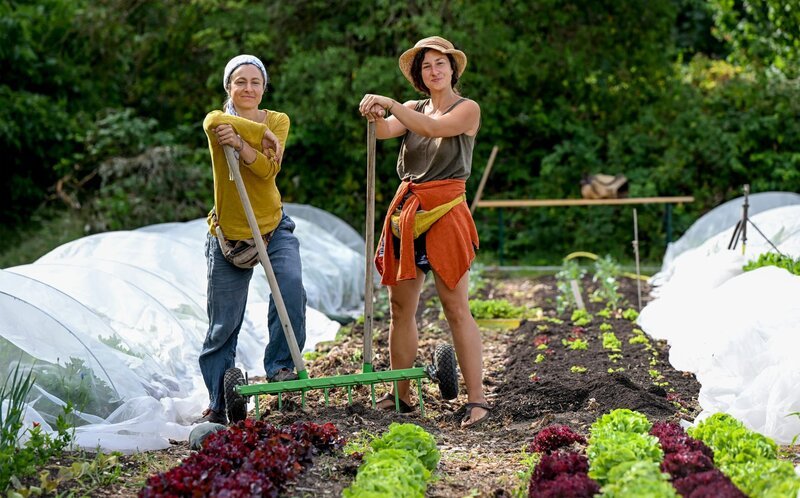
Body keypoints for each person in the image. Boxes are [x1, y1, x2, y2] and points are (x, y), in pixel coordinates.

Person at [358, 36, 491, 428]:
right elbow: (385, 132)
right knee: (401, 309)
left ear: (453, 69)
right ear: (420, 75)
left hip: (446, 211)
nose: (434, 71)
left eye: (440, 64)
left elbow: (433, 129)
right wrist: (374, 112)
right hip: (407, 211)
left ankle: (478, 400)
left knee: (455, 307)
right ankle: (401, 394)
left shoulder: (467, 109)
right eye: (426, 66)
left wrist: (391, 102)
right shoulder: (414, 107)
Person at [195, 54, 306, 425]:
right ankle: (218, 401)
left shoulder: (277, 121)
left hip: (273, 226)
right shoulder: (218, 121)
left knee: (290, 288)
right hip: (230, 235)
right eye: (240, 81)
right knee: (223, 323)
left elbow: (267, 168)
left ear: (263, 87)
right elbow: (212, 120)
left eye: (255, 82)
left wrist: (245, 144)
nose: (248, 88)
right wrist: (250, 135)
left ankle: (281, 371)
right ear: (229, 87)